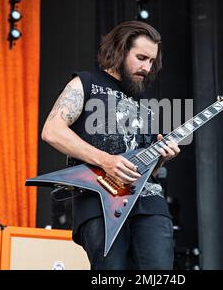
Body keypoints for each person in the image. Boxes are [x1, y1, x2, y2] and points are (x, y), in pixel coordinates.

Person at [41, 21, 180, 270]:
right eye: (141, 58)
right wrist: (106, 160)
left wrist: (160, 159)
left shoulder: (146, 105)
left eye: (151, 61)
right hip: (99, 199)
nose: (147, 68)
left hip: (149, 202)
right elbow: (52, 131)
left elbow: (144, 170)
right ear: (120, 49)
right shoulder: (85, 83)